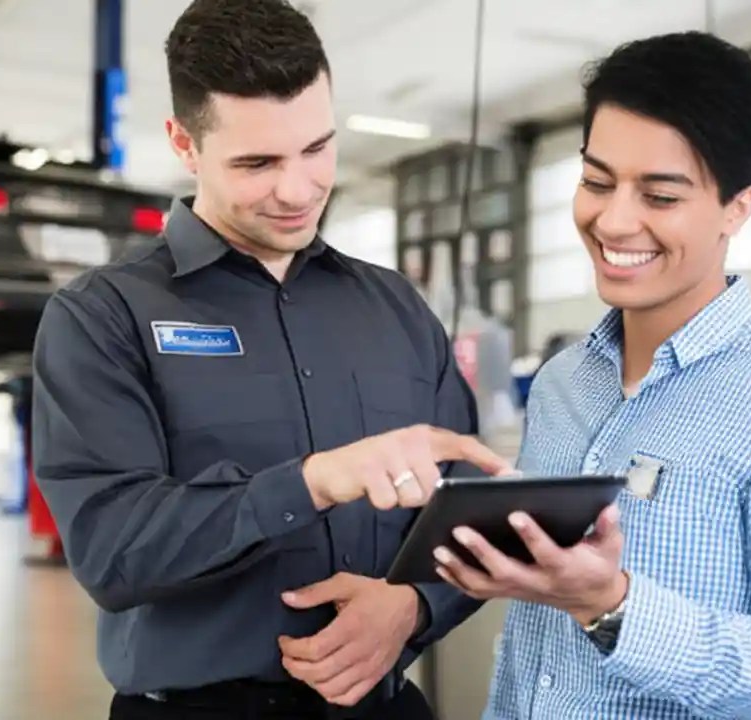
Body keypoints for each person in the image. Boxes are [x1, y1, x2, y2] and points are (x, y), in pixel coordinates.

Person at [30, 1, 512, 718]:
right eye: (257, 162)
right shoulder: (103, 319)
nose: (297, 189)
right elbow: (113, 550)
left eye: (317, 149)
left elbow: (467, 510)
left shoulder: (398, 310)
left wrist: (413, 607)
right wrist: (313, 482)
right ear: (184, 145)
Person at [432, 32, 751, 719]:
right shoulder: (564, 384)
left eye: (661, 195)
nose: (614, 221)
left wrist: (612, 607)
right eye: (596, 181)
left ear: (738, 207)